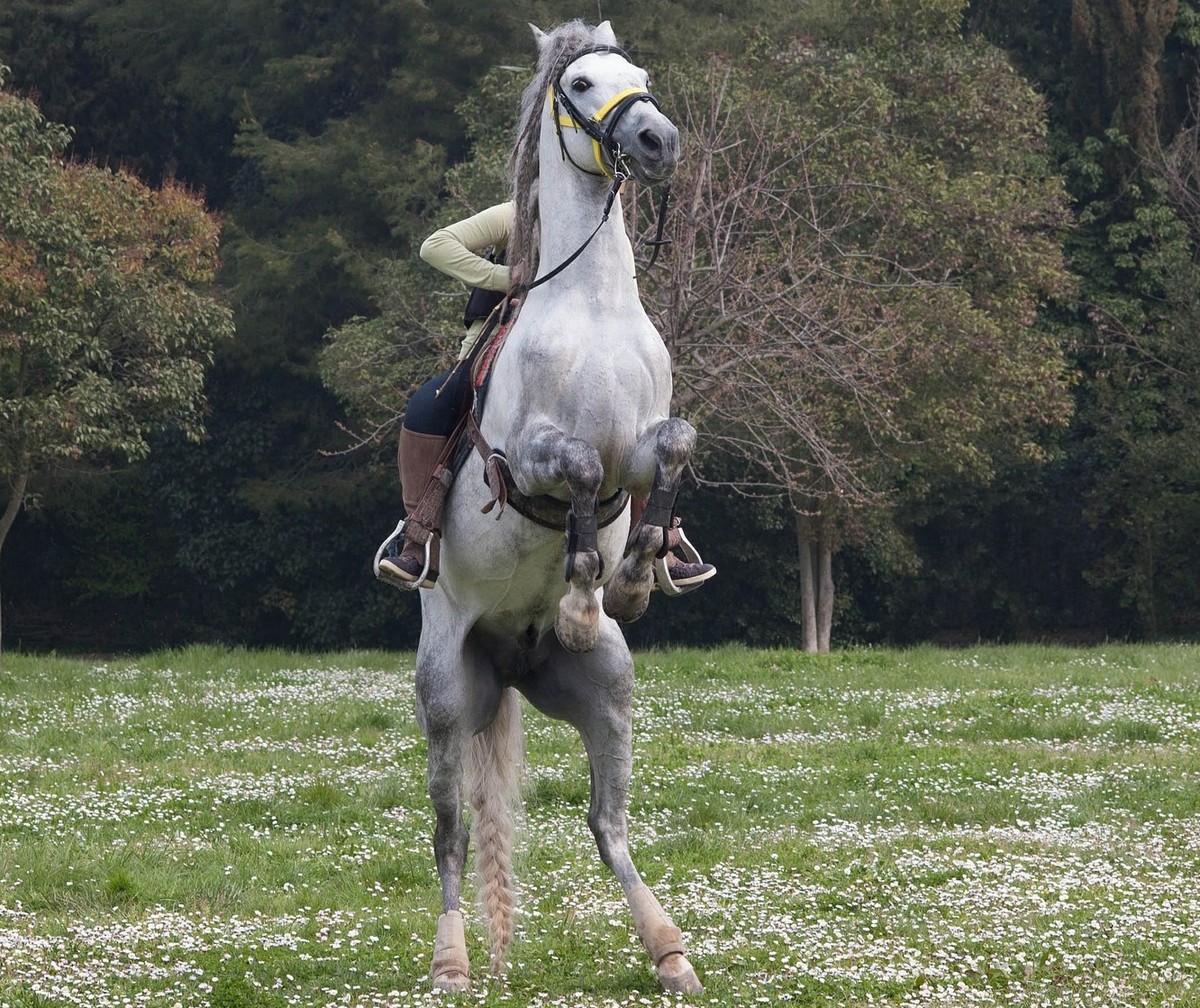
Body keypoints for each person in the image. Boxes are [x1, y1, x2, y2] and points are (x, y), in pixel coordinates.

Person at [375, 201, 716, 593]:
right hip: (501, 343)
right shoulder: (515, 214)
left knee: (643, 421)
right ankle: (420, 539)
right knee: (428, 404)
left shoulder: (608, 228)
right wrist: (504, 277)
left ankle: (658, 547)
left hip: (585, 356)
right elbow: (436, 245)